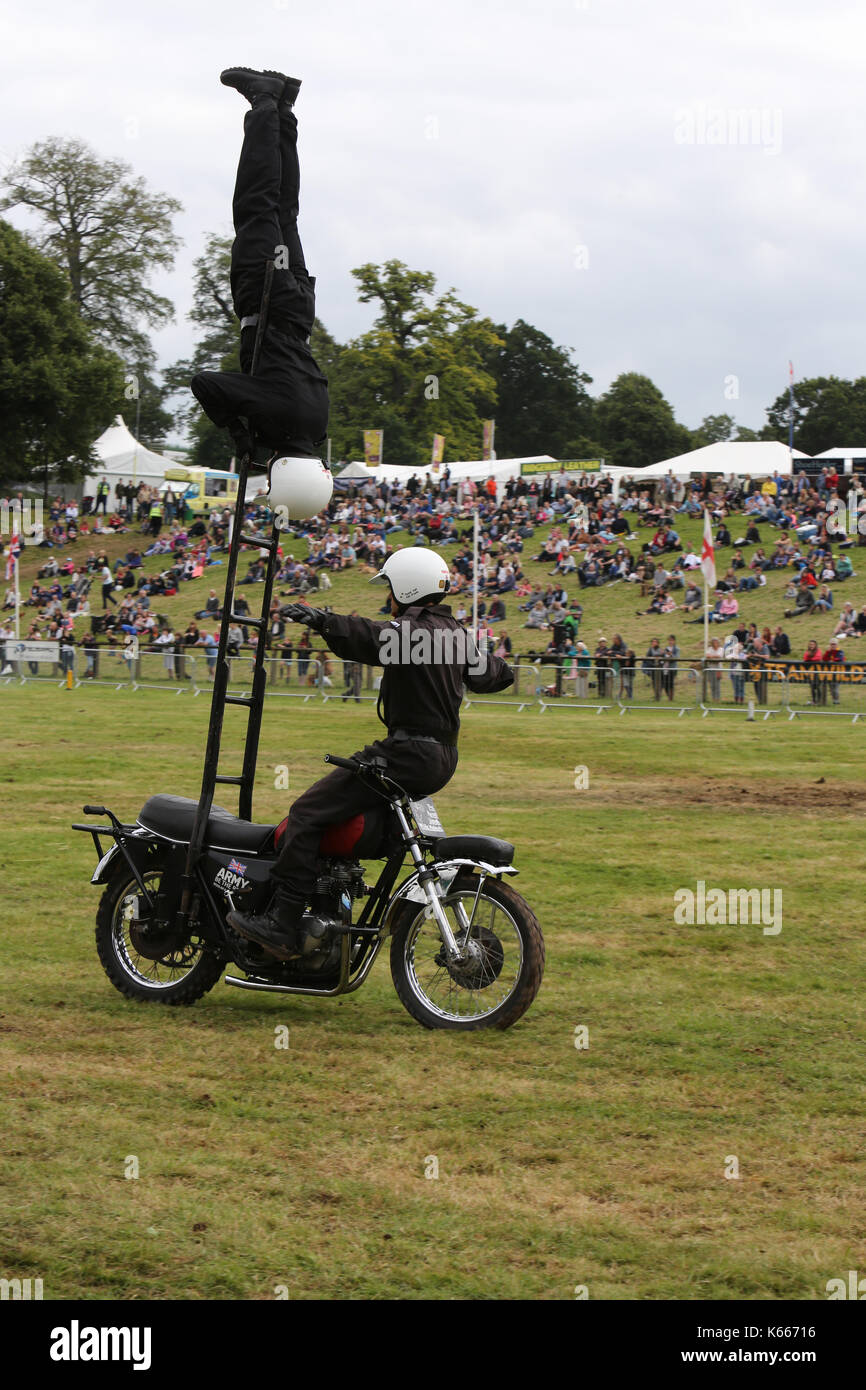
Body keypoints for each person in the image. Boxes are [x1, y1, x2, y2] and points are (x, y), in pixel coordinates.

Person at [226, 548, 513, 959]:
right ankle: (335, 905)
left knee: (306, 812)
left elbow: (370, 637)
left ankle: (282, 922)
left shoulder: (411, 632)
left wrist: (323, 620)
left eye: (391, 590)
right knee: (373, 825)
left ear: (407, 588)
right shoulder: (455, 635)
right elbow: (496, 675)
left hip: (406, 752)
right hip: (443, 758)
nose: (389, 600)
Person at [190, 67, 329, 466]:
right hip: (265, 296)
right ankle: (264, 100)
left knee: (286, 211)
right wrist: (240, 434)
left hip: (300, 308)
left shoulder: (316, 430)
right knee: (256, 203)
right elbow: (205, 383)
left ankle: (285, 109)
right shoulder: (276, 424)